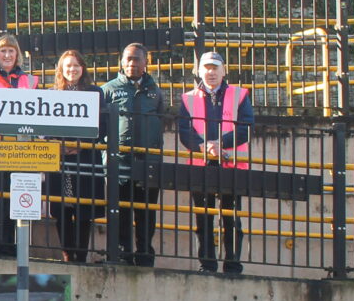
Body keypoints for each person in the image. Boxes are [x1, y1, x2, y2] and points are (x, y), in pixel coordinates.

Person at [177, 51, 253, 275]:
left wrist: (219, 145)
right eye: (206, 68)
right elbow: (184, 131)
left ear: (224, 71)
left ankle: (232, 264)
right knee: (204, 216)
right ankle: (207, 264)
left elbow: (245, 127)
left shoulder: (239, 95)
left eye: (215, 68)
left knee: (231, 216)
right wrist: (205, 147)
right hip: (202, 163)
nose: (210, 72)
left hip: (231, 163)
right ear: (199, 71)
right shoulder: (188, 98)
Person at [100, 42, 165, 266]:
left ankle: (145, 254)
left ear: (146, 63)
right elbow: (100, 126)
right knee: (120, 211)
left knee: (146, 212)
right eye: (128, 59)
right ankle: (121, 253)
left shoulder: (155, 91)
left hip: (148, 162)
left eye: (136, 59)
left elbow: (160, 120)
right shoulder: (108, 89)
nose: (131, 63)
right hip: (119, 162)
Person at [0, 33, 38, 258]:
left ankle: (13, 246)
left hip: (21, 152)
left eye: (11, 51)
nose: (6, 54)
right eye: (2, 50)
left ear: (17, 55)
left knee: (17, 201)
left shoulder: (30, 81)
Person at [50, 49, 103, 263]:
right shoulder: (53, 94)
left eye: (76, 65)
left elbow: (103, 125)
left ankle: (81, 256)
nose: (72, 69)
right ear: (61, 70)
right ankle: (67, 255)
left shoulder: (95, 93)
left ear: (83, 68)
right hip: (61, 161)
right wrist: (59, 146)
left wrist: (81, 145)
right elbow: (46, 126)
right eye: (68, 66)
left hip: (86, 159)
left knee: (83, 210)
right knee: (62, 210)